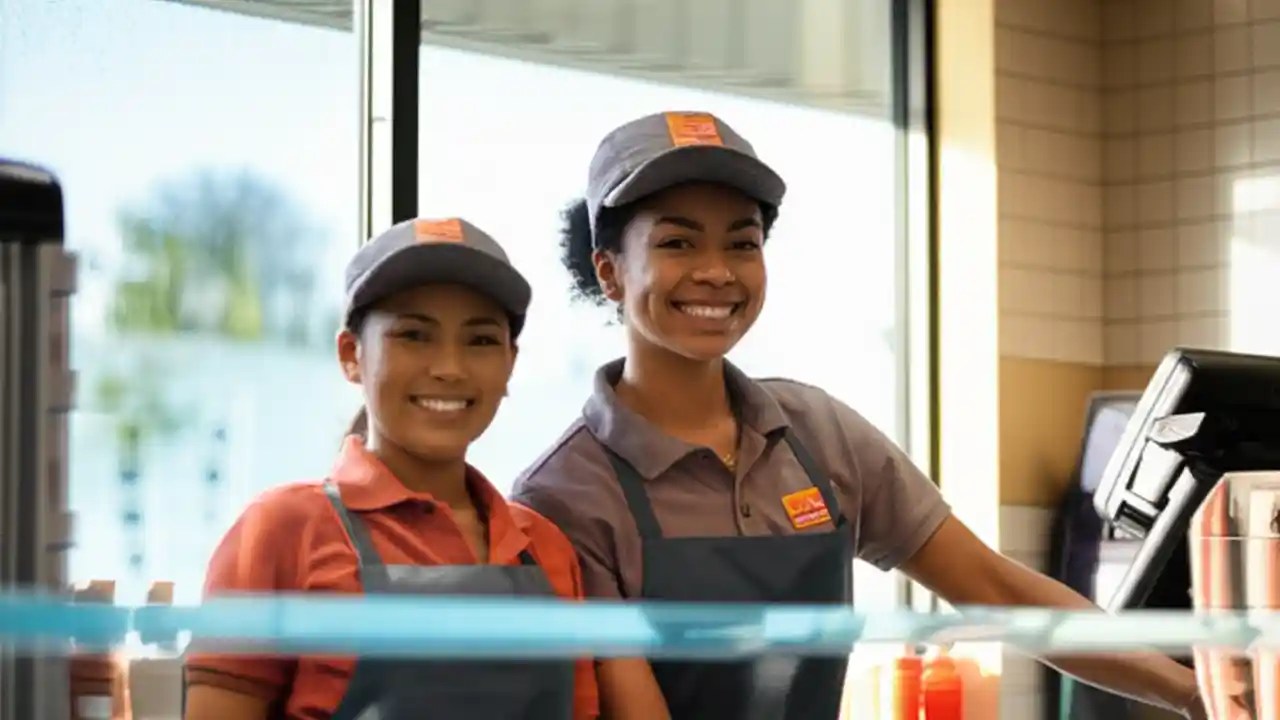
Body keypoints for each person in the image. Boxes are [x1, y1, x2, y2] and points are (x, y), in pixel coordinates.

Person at [510, 111, 1212, 720]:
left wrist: (1197, 696)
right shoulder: (566, 495)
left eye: (743, 242)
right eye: (677, 242)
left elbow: (998, 590)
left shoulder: (818, 433)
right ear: (609, 272)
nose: (717, 271)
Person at [184, 217, 599, 720]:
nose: (449, 367)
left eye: (481, 340)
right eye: (414, 335)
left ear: (510, 363)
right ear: (351, 355)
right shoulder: (282, 530)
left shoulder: (545, 547)